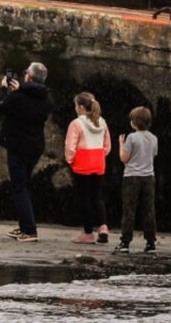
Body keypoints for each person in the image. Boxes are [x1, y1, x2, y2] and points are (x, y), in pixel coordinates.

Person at [0, 62, 52, 242]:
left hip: (18, 146)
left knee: (19, 188)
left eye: (26, 72)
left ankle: (30, 230)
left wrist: (3, 89)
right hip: (34, 147)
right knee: (24, 186)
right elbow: (31, 105)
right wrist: (21, 91)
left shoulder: (18, 97)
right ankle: (25, 225)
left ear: (29, 76)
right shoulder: (47, 99)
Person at [64, 92, 110, 244]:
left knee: (84, 199)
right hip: (98, 162)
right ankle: (103, 227)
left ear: (81, 107)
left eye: (76, 105)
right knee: (96, 197)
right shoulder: (102, 122)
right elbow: (107, 146)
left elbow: (70, 146)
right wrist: (100, 155)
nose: (75, 108)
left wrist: (70, 161)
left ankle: (88, 233)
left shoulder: (76, 123)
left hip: (83, 163)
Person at [115, 105, 158, 254]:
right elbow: (152, 156)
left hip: (132, 177)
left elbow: (124, 158)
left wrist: (121, 144)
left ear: (134, 122)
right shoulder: (154, 138)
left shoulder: (132, 137)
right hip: (149, 177)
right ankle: (150, 242)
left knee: (129, 210)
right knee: (148, 210)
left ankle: (125, 242)